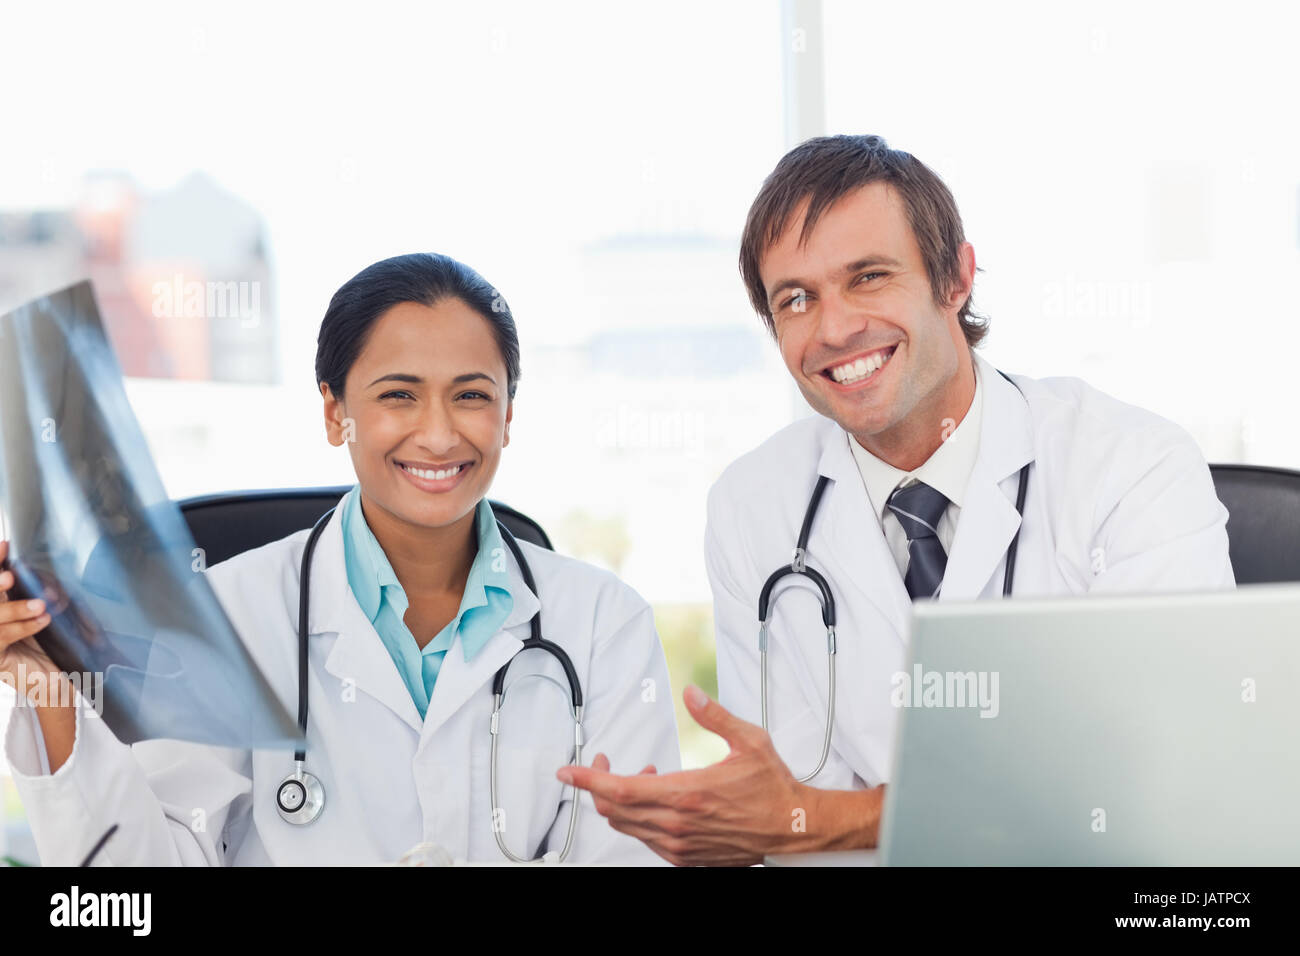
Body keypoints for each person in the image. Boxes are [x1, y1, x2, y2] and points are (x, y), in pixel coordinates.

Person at [560, 133, 1235, 865]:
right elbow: (787, 810)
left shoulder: (1129, 465)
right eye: (796, 299)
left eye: (869, 277)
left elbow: (1157, 780)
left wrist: (819, 819)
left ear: (957, 279)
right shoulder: (753, 507)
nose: (836, 328)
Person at [0, 252, 680, 865]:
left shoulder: (603, 625)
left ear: (507, 415)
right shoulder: (227, 615)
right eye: (398, 395)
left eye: (472, 395)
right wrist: (46, 691)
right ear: (334, 413)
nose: (439, 435)